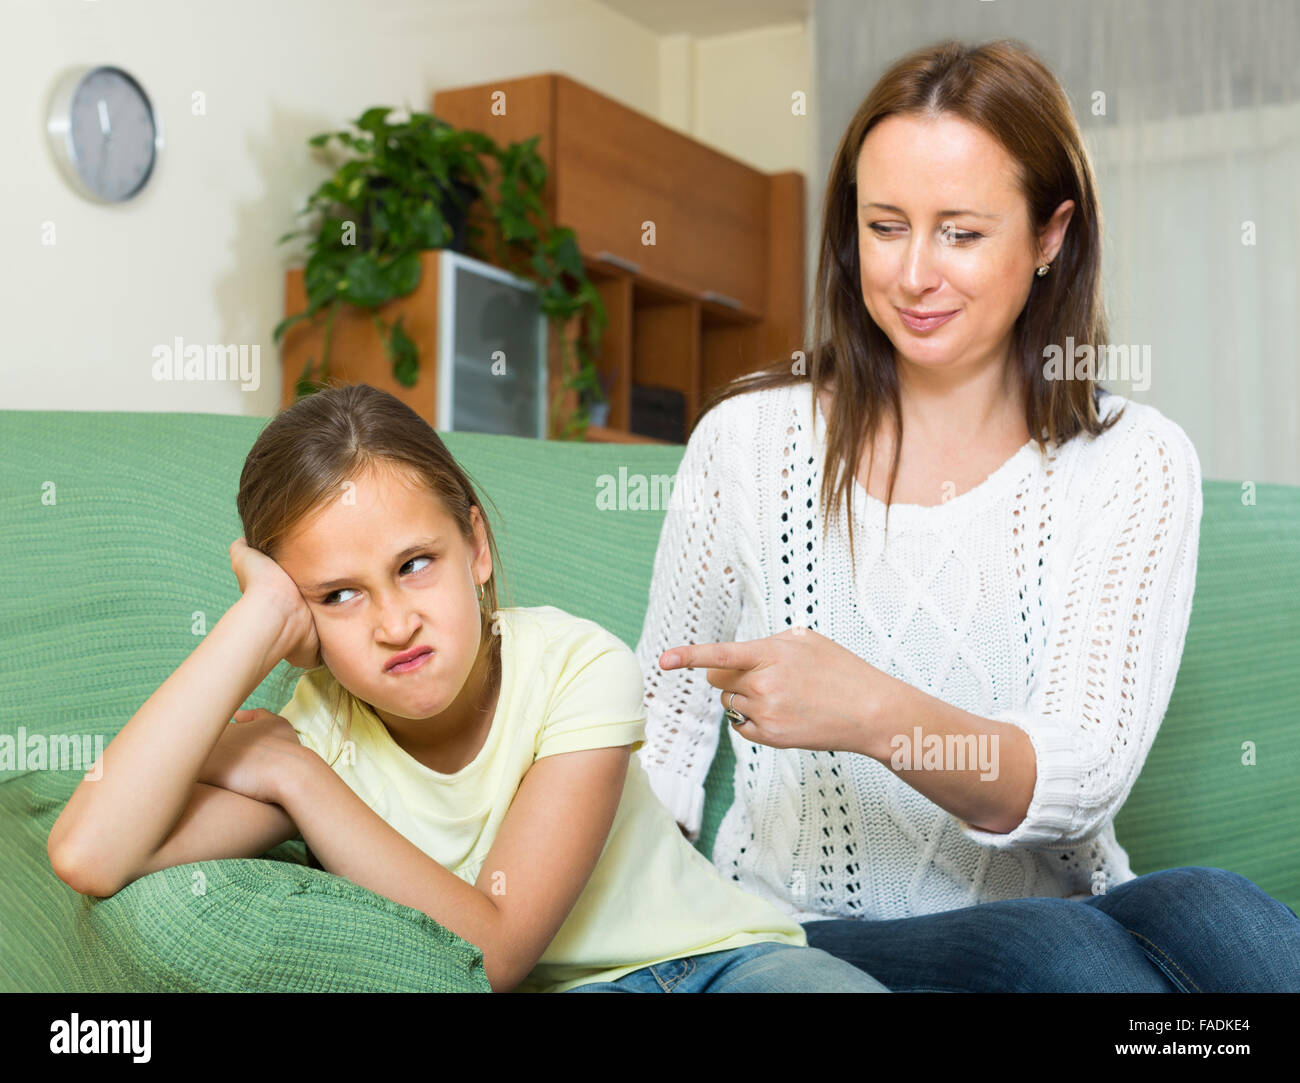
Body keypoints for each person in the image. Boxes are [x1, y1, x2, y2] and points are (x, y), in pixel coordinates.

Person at [634, 38, 1300, 992]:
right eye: (886, 225)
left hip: (1074, 914)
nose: (913, 274)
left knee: (1224, 912)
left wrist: (871, 710)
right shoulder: (746, 443)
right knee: (1053, 950)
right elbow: (662, 743)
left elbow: (1079, 776)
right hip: (817, 930)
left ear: (1050, 235)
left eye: (962, 231)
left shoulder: (1132, 459)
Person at [47, 383, 887, 994]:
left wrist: (298, 778)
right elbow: (88, 851)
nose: (393, 622)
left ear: (474, 547)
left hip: (730, 962)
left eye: (415, 565)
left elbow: (493, 948)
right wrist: (254, 621)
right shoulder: (316, 733)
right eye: (336, 595)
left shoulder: (578, 667)